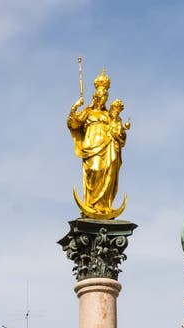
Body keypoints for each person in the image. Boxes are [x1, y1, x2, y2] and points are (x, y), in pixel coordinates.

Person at [67, 69, 130, 219]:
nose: (103, 100)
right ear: (95, 97)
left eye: (105, 98)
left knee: (108, 171)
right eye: (101, 97)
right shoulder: (88, 112)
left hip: (108, 147)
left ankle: (104, 206)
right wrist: (75, 107)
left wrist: (122, 132)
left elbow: (118, 132)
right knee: (95, 170)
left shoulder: (109, 115)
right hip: (92, 147)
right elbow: (73, 123)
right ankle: (92, 204)